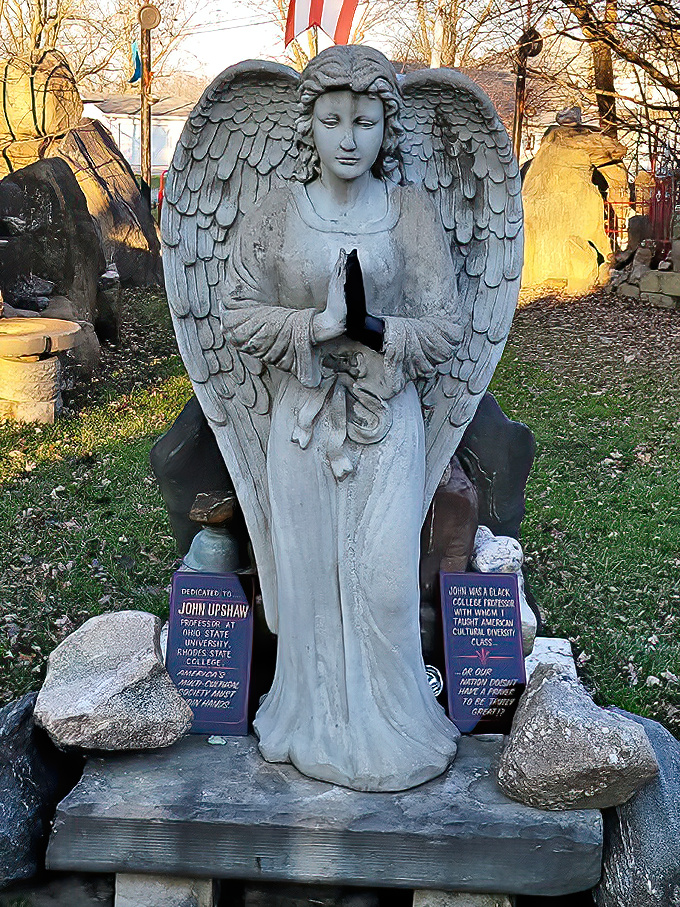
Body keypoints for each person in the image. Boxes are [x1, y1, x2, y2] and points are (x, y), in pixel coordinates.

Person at [218, 46, 462, 791]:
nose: (349, 137)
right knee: (315, 580)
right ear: (310, 127)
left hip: (386, 423)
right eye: (332, 120)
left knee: (385, 582)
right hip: (302, 425)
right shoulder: (276, 212)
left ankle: (393, 729)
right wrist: (319, 326)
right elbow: (233, 310)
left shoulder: (410, 213)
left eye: (364, 120)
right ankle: (310, 724)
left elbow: (448, 326)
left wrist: (375, 329)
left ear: (388, 126)